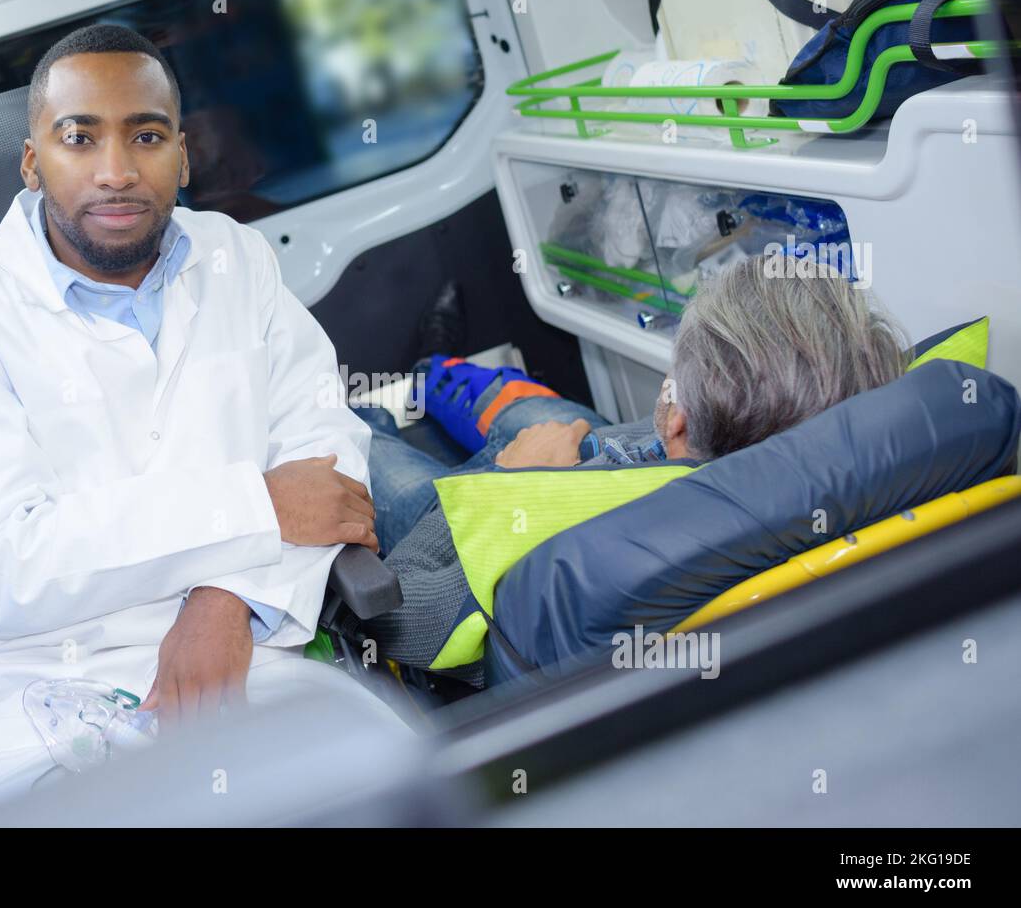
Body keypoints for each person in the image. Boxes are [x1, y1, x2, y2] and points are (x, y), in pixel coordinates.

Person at [0, 25, 394, 812]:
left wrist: (224, 596)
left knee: (389, 791)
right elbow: (1, 563)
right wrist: (257, 506)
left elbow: (325, 466)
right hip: (33, 689)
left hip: (245, 650)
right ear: (32, 162)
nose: (116, 171)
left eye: (147, 135)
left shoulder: (237, 258)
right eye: (78, 138)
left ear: (184, 157)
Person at [357, 254, 908, 684]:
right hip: (600, 452)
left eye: (672, 385)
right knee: (524, 405)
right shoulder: (836, 461)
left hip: (488, 516)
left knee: (363, 447)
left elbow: (397, 618)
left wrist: (511, 478)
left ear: (679, 425)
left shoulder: (584, 565)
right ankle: (431, 368)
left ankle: (373, 404)